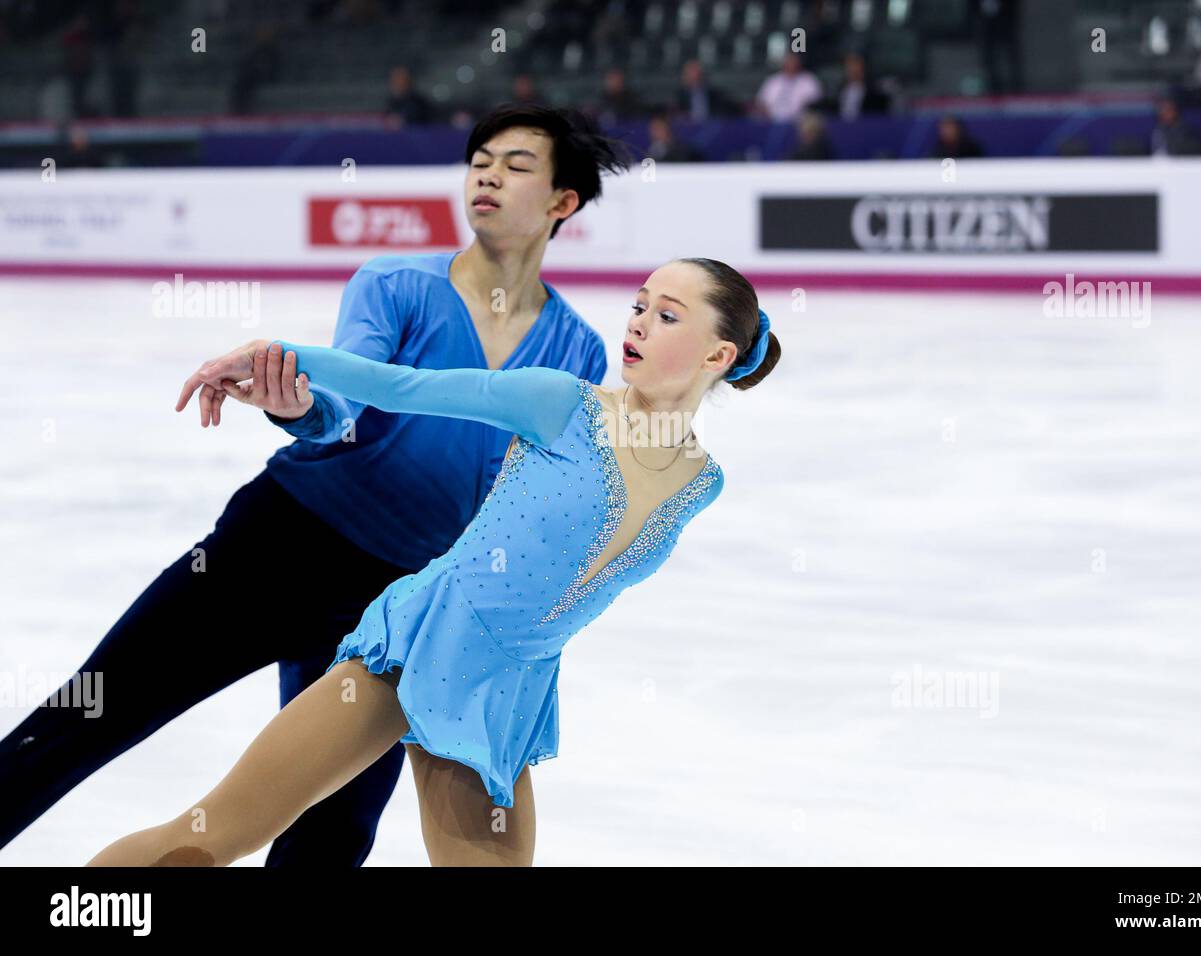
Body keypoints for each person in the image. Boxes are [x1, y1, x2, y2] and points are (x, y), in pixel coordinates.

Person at [0, 104, 631, 867]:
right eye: (479, 161)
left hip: (393, 607)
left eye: (517, 164)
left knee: (333, 833)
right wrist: (300, 404)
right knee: (87, 716)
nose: (488, 175)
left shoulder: (575, 347)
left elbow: (522, 499)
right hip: (280, 547)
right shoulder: (396, 283)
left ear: (563, 202)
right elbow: (346, 399)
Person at [86, 256, 781, 866]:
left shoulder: (699, 484)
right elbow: (403, 387)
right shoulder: (563, 405)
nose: (636, 323)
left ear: (719, 355)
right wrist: (281, 354)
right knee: (205, 844)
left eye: (665, 315)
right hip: (416, 648)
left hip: (504, 696)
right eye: (637, 306)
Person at [755, 52, 825, 123]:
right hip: (773, 122)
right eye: (788, 62)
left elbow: (815, 103)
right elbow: (761, 103)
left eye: (793, 62)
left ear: (799, 64)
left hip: (801, 124)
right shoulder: (773, 81)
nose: (791, 65)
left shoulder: (809, 80)